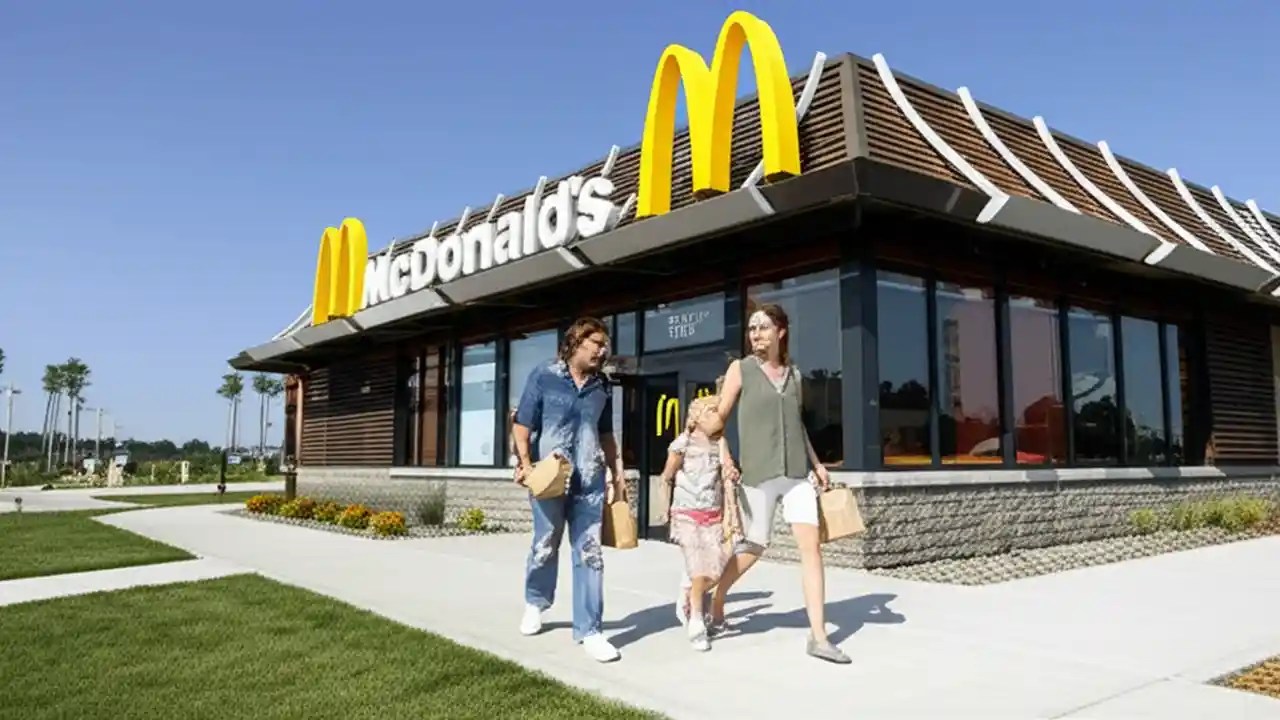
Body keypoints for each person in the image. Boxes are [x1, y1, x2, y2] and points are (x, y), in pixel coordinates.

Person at [712, 303, 852, 664]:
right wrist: (723, 454)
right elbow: (719, 416)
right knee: (755, 546)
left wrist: (817, 463)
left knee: (812, 550)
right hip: (758, 474)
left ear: (780, 332)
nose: (755, 334)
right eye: (751, 329)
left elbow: (797, 424)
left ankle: (819, 636)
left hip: (796, 475)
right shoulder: (739, 370)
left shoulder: (794, 375)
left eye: (762, 328)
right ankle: (717, 598)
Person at [511, 317, 625, 663]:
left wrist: (618, 477)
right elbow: (522, 424)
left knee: (591, 552)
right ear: (575, 343)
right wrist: (525, 464)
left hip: (589, 480)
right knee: (545, 545)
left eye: (604, 345)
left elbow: (606, 435)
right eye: (596, 344)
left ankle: (590, 630)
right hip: (550, 477)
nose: (602, 350)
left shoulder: (602, 386)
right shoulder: (544, 375)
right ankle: (536, 602)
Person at [657, 393, 738, 651]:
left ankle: (686, 592)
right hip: (685, 513)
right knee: (698, 566)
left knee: (714, 568)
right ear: (697, 418)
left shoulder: (721, 443)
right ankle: (696, 622)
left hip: (712, 513)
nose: (718, 416)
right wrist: (663, 509)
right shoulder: (683, 444)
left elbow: (727, 474)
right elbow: (666, 476)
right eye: (711, 412)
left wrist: (731, 478)